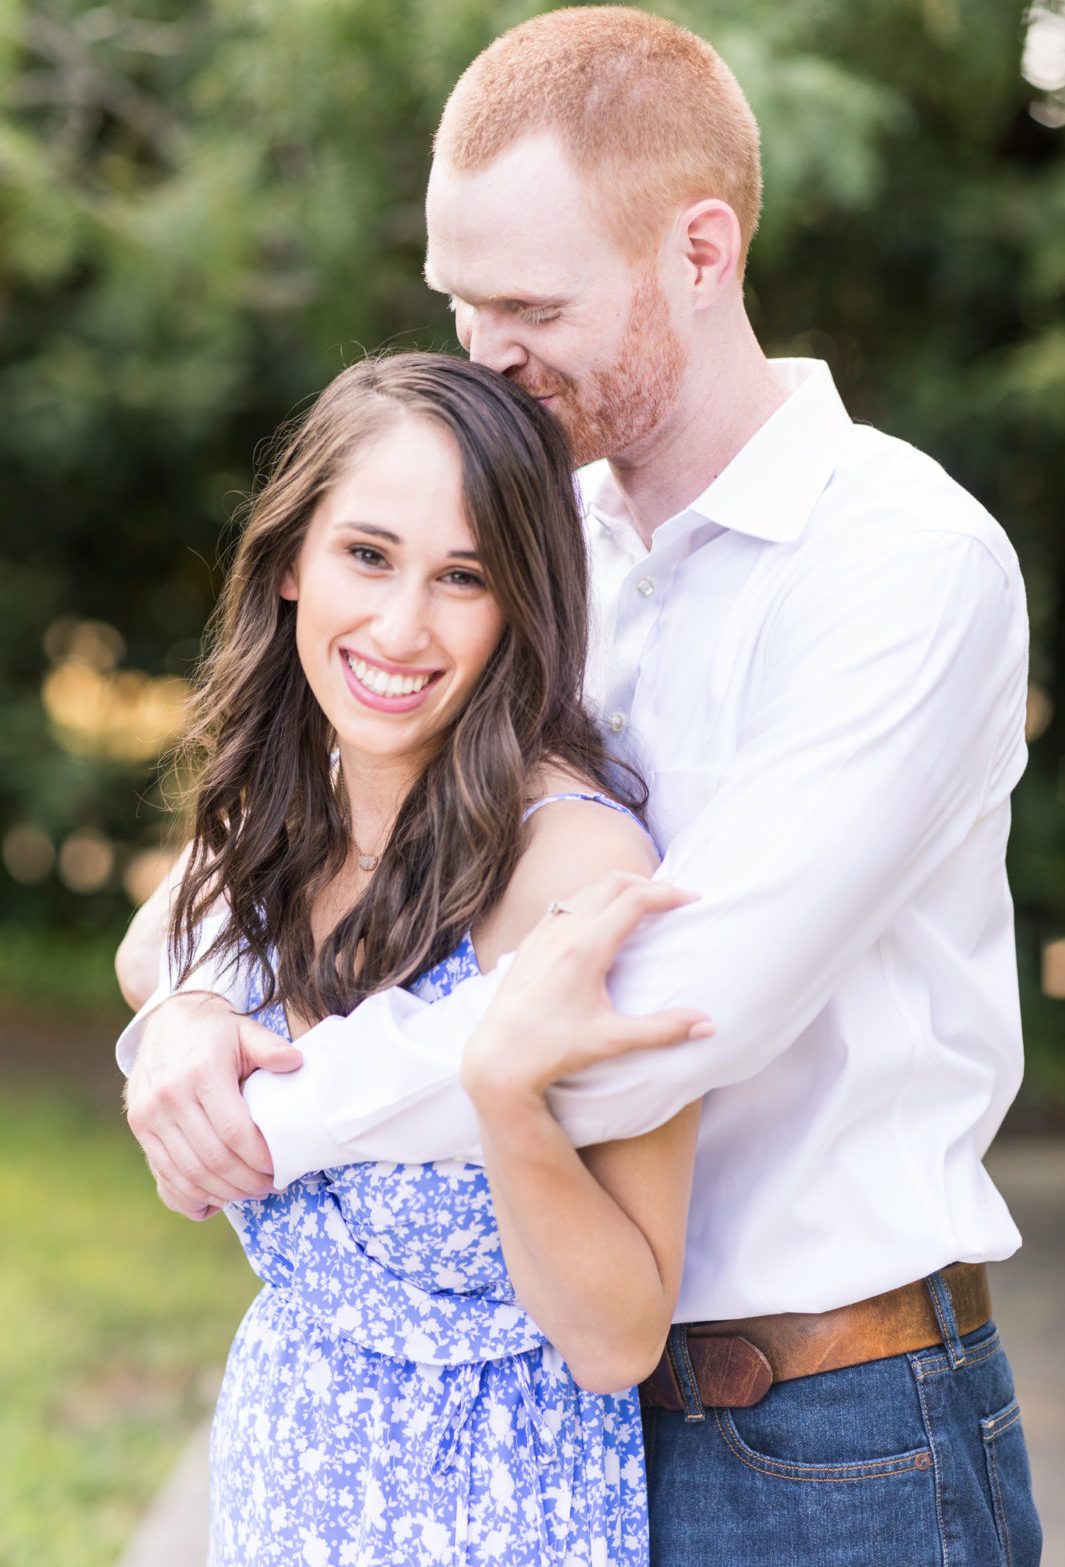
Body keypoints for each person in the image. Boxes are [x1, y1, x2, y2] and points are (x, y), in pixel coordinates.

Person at [119, 6, 1042, 1566]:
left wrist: (256, 1115)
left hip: (829, 1435)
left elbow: (658, 1020)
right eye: (460, 301)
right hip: (536, 1421)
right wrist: (194, 1009)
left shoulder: (898, 562)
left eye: (531, 305)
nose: (486, 351)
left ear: (700, 253)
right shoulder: (526, 558)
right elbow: (303, 844)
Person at [153, 350, 706, 1565]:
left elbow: (618, 1339)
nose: (401, 626)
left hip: (488, 1509)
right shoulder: (292, 814)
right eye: (367, 554)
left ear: (520, 604)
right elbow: (156, 951)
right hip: (281, 1474)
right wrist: (189, 1012)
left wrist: (504, 1098)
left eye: (463, 575)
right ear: (290, 560)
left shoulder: (574, 865)